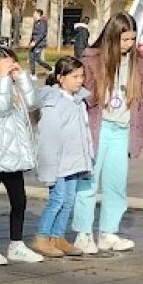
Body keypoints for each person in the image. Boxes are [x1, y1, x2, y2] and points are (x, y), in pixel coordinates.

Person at [75, 12, 143, 255]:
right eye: (125, 39)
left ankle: (108, 232)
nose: (129, 45)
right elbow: (80, 93)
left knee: (116, 184)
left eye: (132, 39)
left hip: (122, 129)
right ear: (112, 37)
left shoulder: (138, 64)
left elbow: (142, 99)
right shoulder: (92, 60)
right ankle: (83, 233)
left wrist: (138, 131)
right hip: (99, 127)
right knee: (88, 182)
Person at [0, 46, 43, 266]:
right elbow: (0, 107)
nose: (7, 71)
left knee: (19, 201)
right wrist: (2, 79)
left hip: (14, 158)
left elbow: (33, 103)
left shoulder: (12, 90)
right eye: (1, 66)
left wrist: (20, 77)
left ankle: (16, 244)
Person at [31, 57, 93, 258]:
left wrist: (87, 157)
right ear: (60, 78)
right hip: (57, 163)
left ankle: (57, 236)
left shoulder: (79, 101)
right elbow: (48, 137)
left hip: (74, 162)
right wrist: (48, 166)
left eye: (81, 76)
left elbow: (85, 133)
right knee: (56, 200)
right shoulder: (53, 102)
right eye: (74, 76)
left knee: (68, 201)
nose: (79, 80)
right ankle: (42, 236)